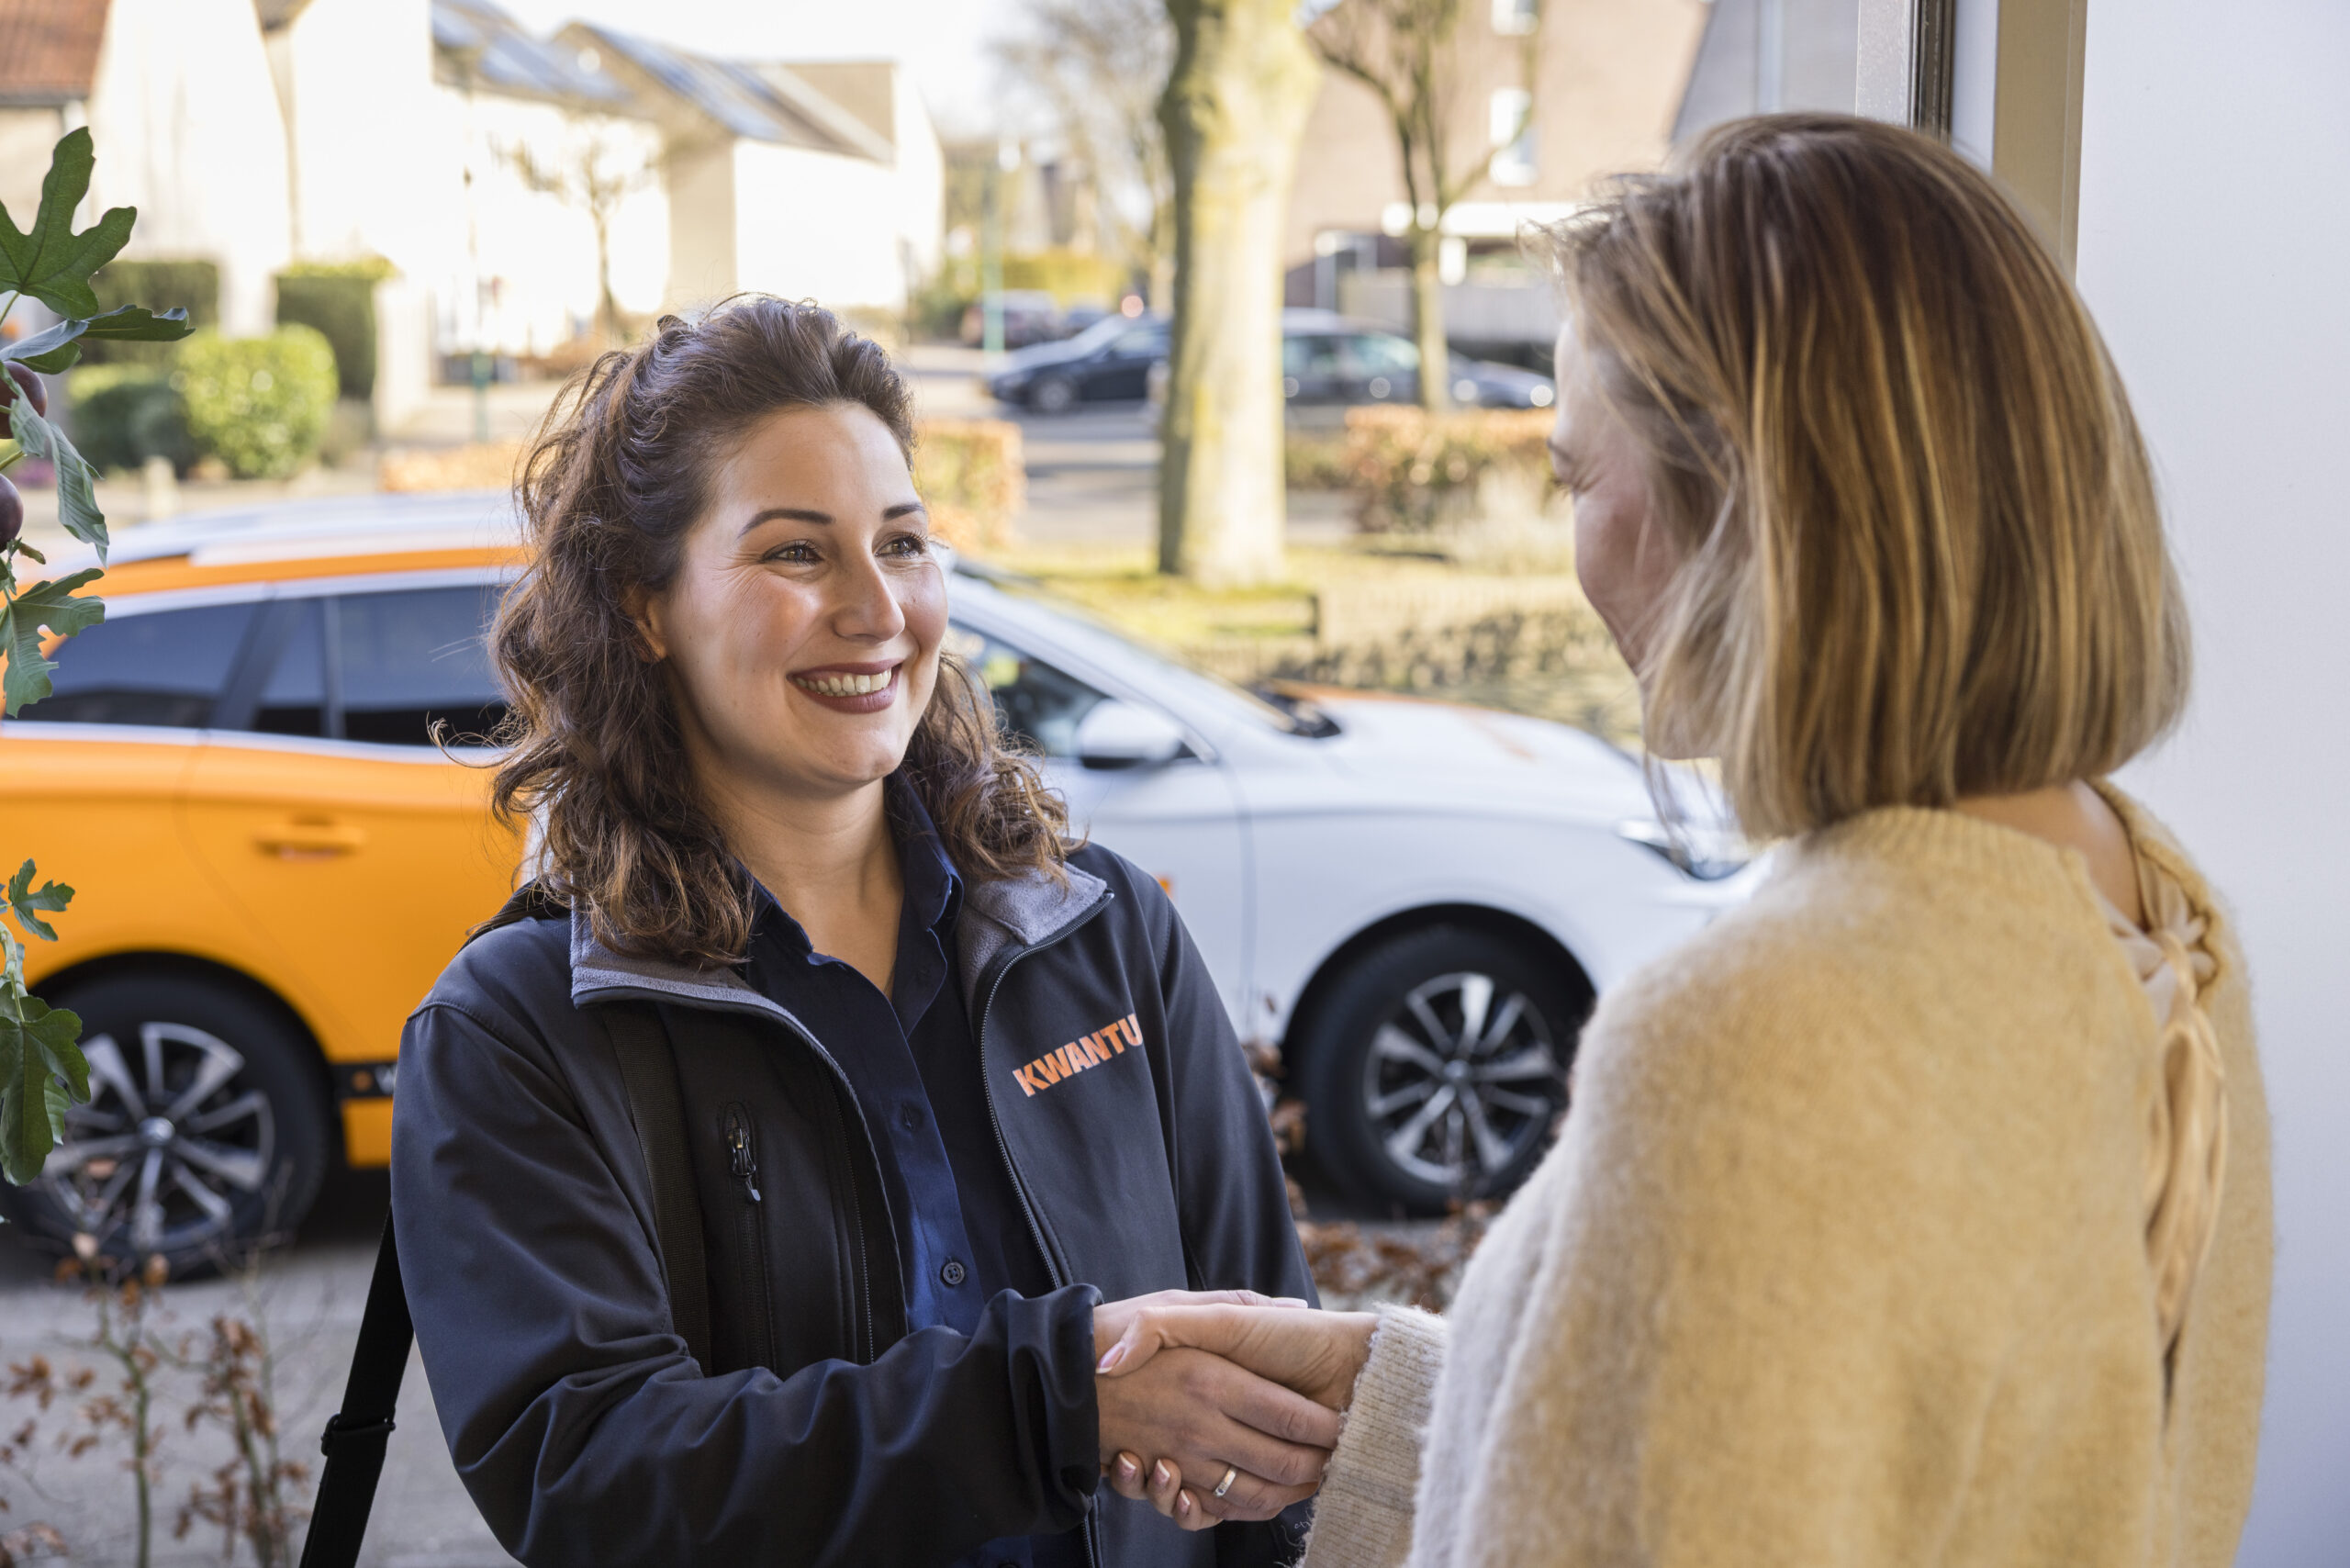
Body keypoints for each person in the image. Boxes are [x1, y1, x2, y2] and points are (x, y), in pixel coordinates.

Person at [1095, 113, 2273, 1568]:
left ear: (1750, 508)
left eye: (1576, 478)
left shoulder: (1762, 1039)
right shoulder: (2152, 914)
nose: (1578, 550)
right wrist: (1386, 1407)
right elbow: (1898, 1463)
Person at [388, 297, 1337, 1567]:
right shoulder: (517, 1030)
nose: (878, 608)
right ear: (644, 610)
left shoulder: (1101, 934)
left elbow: (1276, 1412)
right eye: (796, 554)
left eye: (903, 543)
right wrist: (1047, 1406)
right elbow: (592, 1481)